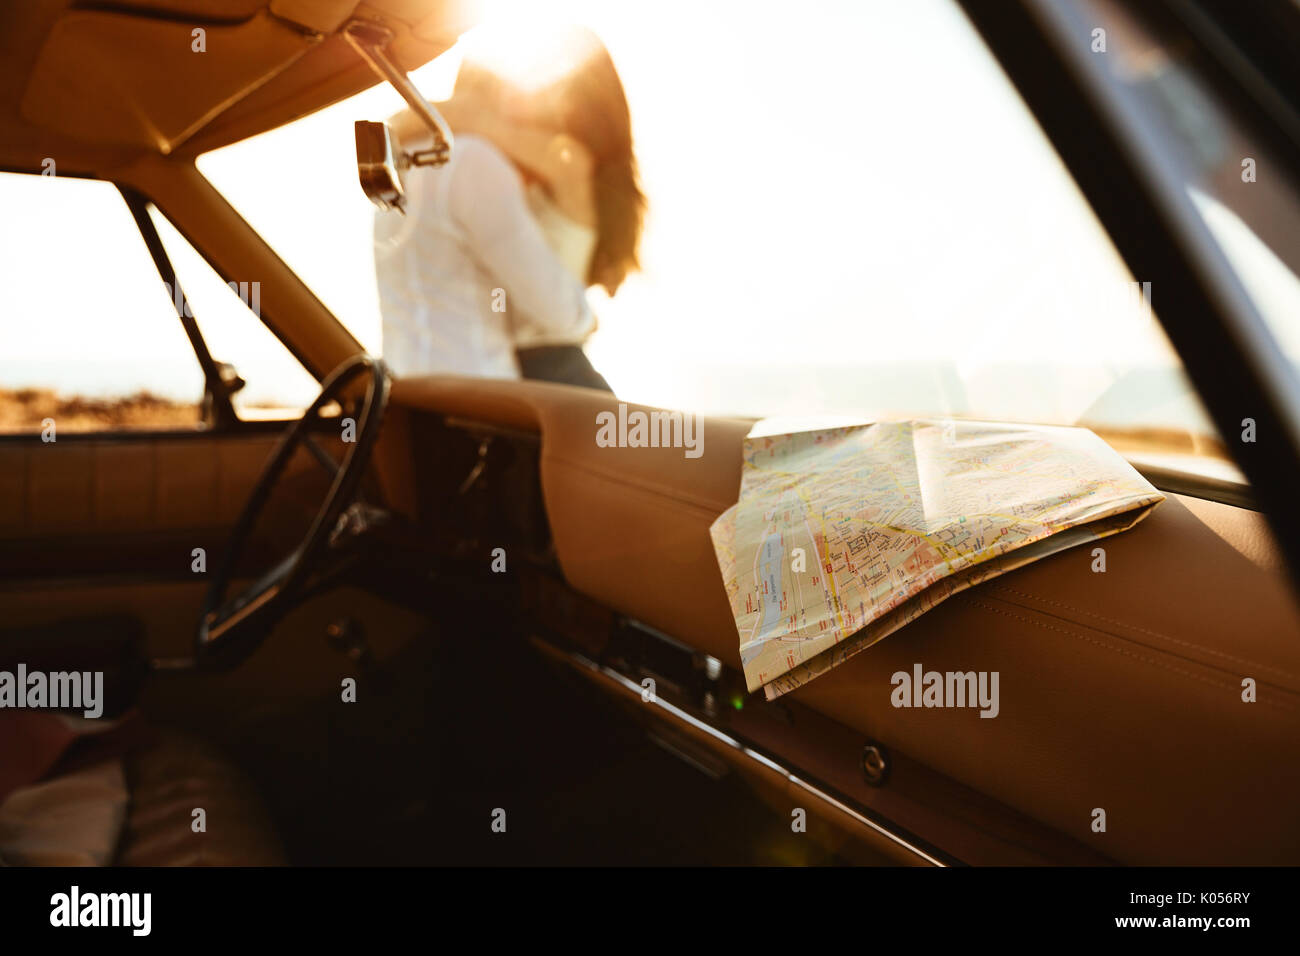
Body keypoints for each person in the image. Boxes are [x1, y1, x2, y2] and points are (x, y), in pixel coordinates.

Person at [375, 26, 645, 392]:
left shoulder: (560, 163)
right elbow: (561, 316)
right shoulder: (478, 163)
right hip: (526, 376)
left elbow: (411, 123)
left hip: (536, 373)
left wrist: (443, 117)